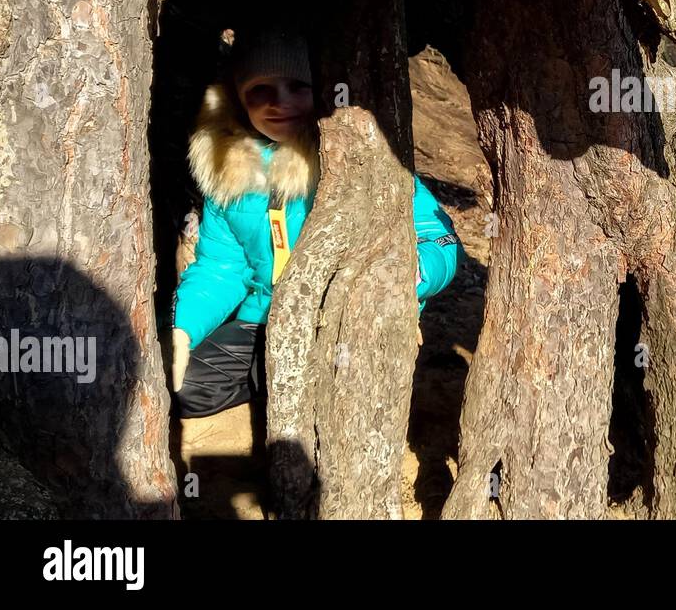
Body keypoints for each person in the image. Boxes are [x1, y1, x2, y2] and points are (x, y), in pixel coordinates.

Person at [169, 26, 460, 417]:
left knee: (346, 400)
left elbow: (436, 235)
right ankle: (283, 380)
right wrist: (185, 327)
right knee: (187, 387)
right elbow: (221, 266)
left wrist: (411, 275)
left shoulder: (363, 159)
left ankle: (298, 383)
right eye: (260, 90)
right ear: (239, 98)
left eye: (297, 86)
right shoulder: (229, 175)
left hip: (346, 322)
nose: (280, 103)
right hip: (265, 319)